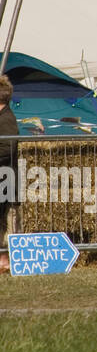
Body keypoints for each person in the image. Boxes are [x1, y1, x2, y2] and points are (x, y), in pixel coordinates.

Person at [0, 75, 17, 273]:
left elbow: (7, 147)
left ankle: (6, 260)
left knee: (8, 221)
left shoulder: (7, 119)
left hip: (5, 178)